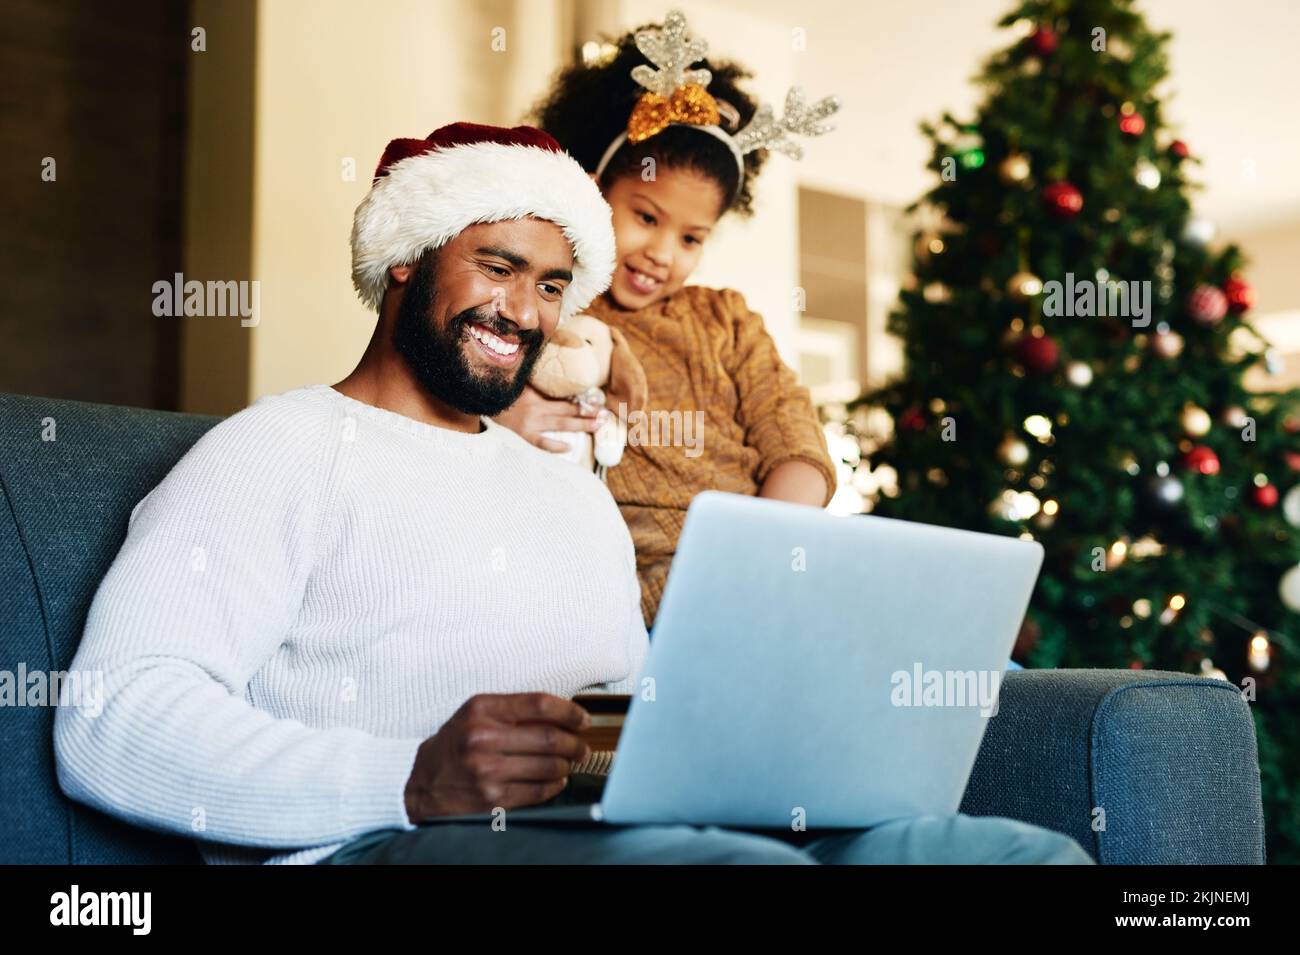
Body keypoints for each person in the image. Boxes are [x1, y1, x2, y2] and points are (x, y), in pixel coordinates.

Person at [54, 121, 1091, 865]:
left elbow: (635, 714)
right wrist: (407, 776)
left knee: (1010, 855)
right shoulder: (275, 449)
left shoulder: (565, 482)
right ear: (409, 262)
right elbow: (111, 722)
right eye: (497, 266)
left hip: (619, 828)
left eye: (553, 286)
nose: (526, 310)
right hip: (379, 837)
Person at [496, 10, 841, 627]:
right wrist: (502, 420)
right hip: (628, 592)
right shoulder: (551, 305)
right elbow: (460, 412)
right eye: (647, 218)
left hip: (752, 568)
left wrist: (753, 561)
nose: (662, 253)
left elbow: (796, 444)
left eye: (691, 238)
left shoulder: (727, 320)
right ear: (594, 189)